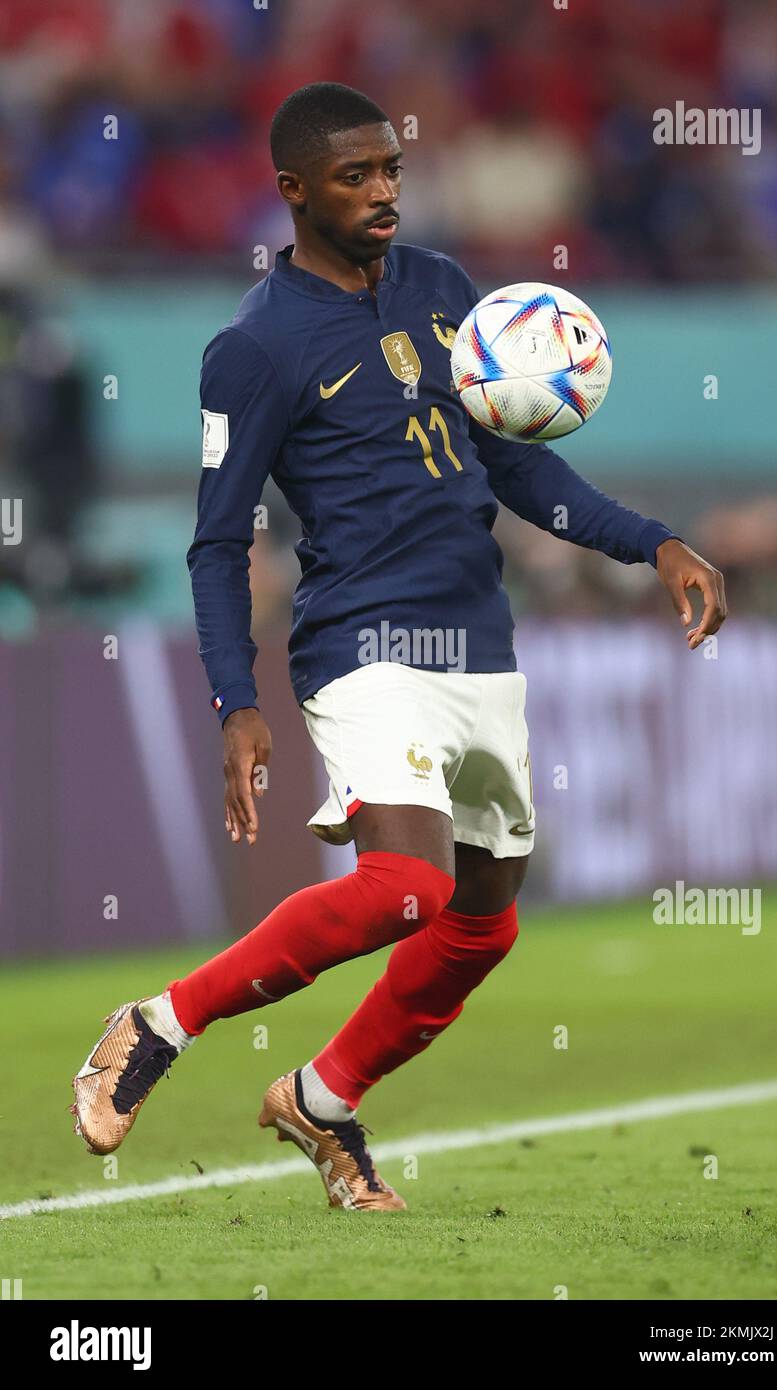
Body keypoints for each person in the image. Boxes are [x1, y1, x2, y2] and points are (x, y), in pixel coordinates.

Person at [71, 83, 727, 1212]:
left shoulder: (440, 290)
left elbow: (516, 466)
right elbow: (217, 542)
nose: (382, 193)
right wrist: (237, 699)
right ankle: (157, 1022)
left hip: (477, 636)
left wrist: (652, 542)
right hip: (359, 640)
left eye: (390, 172)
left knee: (483, 919)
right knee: (401, 888)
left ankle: (319, 1100)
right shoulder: (254, 348)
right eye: (353, 177)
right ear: (292, 191)